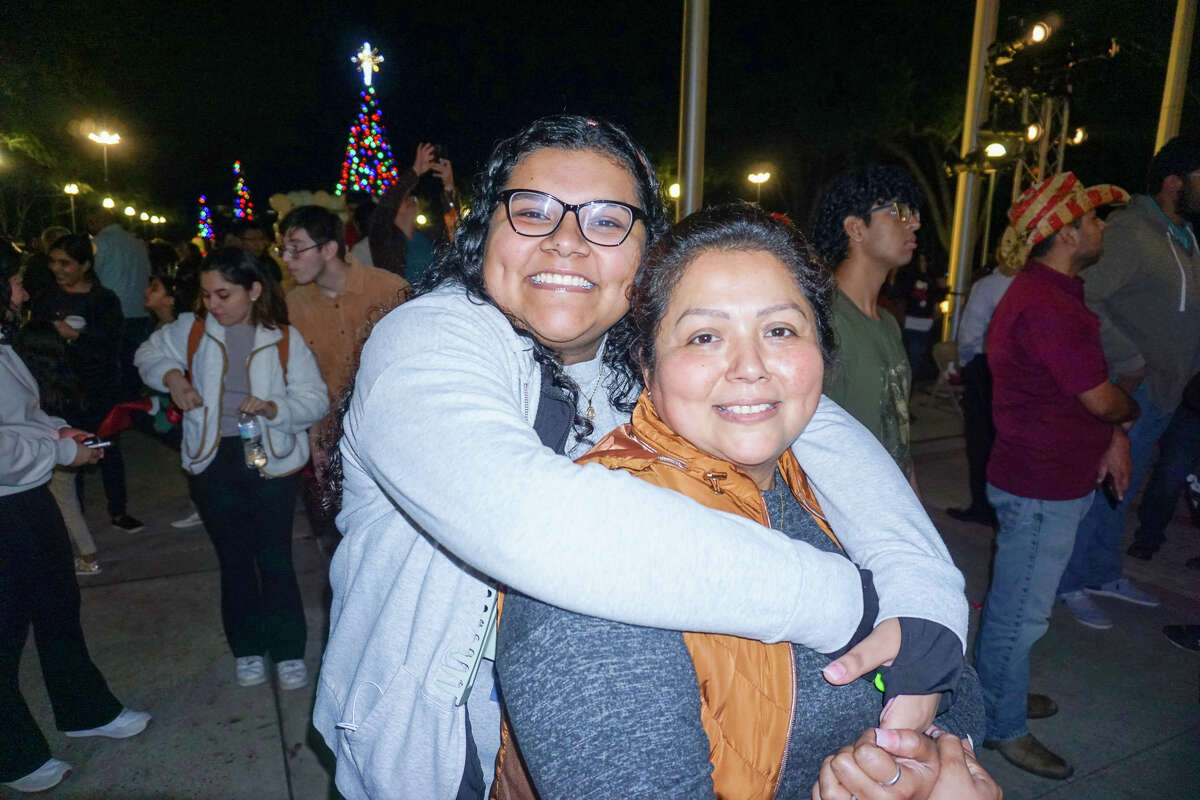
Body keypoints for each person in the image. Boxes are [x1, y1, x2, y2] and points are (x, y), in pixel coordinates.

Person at [312, 115, 967, 800]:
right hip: (425, 760)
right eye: (532, 211)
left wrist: (924, 602)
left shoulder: (642, 359)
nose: (565, 241)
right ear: (484, 234)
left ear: (644, 255)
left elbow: (815, 422)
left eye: (605, 220)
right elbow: (528, 521)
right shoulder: (426, 341)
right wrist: (854, 607)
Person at [494, 203, 983, 798]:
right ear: (647, 361)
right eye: (705, 336)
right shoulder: (596, 555)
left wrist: (931, 762)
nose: (751, 367)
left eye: (779, 330)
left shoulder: (841, 492)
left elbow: (959, 686)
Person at [976, 172, 1138, 779]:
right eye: (1093, 220)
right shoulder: (1047, 304)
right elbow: (1099, 398)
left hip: (1045, 477)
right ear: (1066, 232)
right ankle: (1001, 725)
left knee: (1019, 606)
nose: (1100, 228)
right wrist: (1128, 415)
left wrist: (1113, 431)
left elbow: (1080, 400)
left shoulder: (1053, 293)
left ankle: (1003, 695)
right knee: (1021, 613)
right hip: (1039, 484)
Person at [135, 248, 328, 690]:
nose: (212, 305)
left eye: (223, 294)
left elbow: (314, 398)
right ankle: (247, 647)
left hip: (271, 459)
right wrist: (173, 378)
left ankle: (288, 650)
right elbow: (146, 354)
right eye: (206, 295)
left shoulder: (283, 339)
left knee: (274, 557)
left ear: (254, 290)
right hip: (212, 458)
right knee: (234, 558)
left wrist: (274, 407)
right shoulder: (191, 330)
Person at [1, 248, 150, 794]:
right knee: (5, 631)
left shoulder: (4, 344)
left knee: (59, 606)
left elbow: (27, 415)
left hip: (26, 498)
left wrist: (63, 432)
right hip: (6, 503)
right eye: (14, 284)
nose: (21, 294)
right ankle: (11, 755)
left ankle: (84, 709)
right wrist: (60, 453)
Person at [1078, 137, 1200, 579]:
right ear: (1173, 182)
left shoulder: (1185, 238)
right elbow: (1085, 296)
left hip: (1171, 390)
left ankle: (1103, 573)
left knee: (1122, 491)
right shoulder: (1132, 231)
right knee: (1108, 488)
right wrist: (1131, 359)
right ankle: (1077, 581)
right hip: (1136, 389)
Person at [813, 166, 922, 490]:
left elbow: (898, 432)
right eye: (898, 212)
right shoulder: (823, 321)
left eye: (913, 212)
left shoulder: (887, 324)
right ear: (856, 228)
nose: (914, 222)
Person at [34, 234, 144, 533]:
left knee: (107, 447)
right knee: (69, 454)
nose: (58, 269)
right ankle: (74, 517)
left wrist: (78, 337)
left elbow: (113, 344)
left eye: (65, 263)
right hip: (59, 388)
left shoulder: (103, 299)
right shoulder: (46, 298)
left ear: (84, 265)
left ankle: (118, 510)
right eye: (53, 262)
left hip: (98, 386)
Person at [13, 319, 102, 575]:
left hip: (56, 449)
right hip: (71, 444)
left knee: (67, 506)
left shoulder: (30, 380)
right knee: (69, 503)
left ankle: (89, 557)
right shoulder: (66, 371)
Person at [945, 261, 1016, 526]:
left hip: (985, 366)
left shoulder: (988, 286)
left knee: (980, 439)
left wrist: (967, 365)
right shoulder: (1032, 283)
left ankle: (982, 505)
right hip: (1015, 367)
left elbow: (970, 333)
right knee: (1006, 439)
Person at [85, 206, 152, 401]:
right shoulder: (138, 243)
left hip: (114, 311)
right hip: (139, 309)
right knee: (135, 361)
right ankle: (134, 400)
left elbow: (93, 275)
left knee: (114, 361)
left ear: (96, 221)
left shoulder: (100, 243)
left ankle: (119, 405)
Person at [366, 142, 456, 284]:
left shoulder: (430, 235)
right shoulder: (384, 238)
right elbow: (385, 206)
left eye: (411, 196)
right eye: (403, 198)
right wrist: (415, 171)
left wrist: (449, 185)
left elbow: (455, 230)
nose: (409, 199)